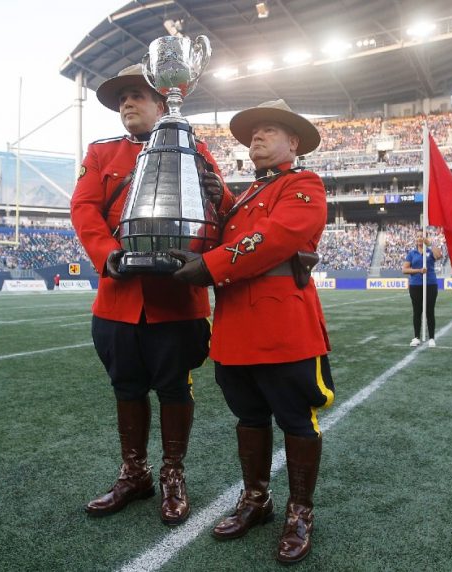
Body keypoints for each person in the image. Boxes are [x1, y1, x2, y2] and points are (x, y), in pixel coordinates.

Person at [170, 99, 333, 564]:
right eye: (252, 133)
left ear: (293, 142)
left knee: (296, 419)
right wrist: (216, 195)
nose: (256, 138)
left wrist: (210, 265)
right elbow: (232, 229)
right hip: (236, 328)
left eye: (267, 131)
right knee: (250, 418)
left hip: (284, 327)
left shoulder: (303, 184)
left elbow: (276, 237)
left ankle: (300, 511)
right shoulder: (243, 196)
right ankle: (256, 500)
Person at [70, 63, 232, 526]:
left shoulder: (195, 149)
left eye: (136, 95)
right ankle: (134, 473)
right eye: (121, 98)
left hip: (176, 302)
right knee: (126, 387)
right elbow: (83, 210)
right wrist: (107, 255)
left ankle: (172, 475)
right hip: (118, 299)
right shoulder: (102, 153)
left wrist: (219, 193)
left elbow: (223, 212)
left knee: (174, 389)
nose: (126, 103)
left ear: (164, 102)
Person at [402, 232, 442, 348]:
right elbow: (405, 270)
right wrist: (419, 270)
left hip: (430, 284)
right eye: (418, 236)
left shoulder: (430, 251)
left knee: (430, 311)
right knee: (417, 311)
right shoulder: (411, 253)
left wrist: (430, 244)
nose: (420, 238)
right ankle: (416, 337)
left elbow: (439, 256)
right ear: (416, 239)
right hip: (416, 285)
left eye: (422, 236)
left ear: (425, 238)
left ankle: (431, 338)